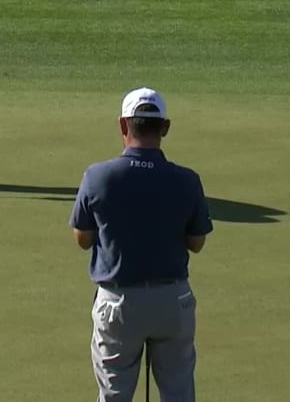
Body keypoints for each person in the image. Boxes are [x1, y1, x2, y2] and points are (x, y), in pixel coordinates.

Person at [69, 87, 214, 402]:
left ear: (123, 125)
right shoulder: (187, 180)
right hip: (172, 301)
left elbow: (82, 238)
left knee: (114, 396)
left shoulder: (97, 177)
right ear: (165, 127)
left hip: (118, 303)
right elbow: (197, 242)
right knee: (178, 394)